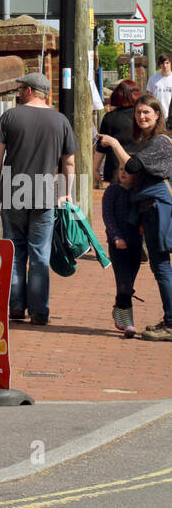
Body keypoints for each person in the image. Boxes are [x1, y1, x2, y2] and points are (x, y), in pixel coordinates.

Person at [0, 72, 78, 326]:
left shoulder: (10, 117)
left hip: (13, 193)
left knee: (15, 252)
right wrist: (65, 193)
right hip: (45, 194)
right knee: (40, 255)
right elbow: (68, 162)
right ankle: (39, 312)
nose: (18, 93)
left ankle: (16, 306)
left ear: (29, 90)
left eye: (20, 89)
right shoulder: (60, 121)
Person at [99, 95, 172, 341]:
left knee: (161, 266)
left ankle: (171, 322)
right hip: (148, 209)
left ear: (157, 115)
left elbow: (131, 167)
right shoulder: (151, 142)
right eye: (139, 113)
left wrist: (113, 143)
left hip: (156, 207)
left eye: (147, 113)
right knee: (159, 266)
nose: (141, 117)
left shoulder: (161, 142)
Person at [101, 167, 142, 336]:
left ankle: (119, 308)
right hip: (117, 245)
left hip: (136, 244)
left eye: (128, 171)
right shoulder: (112, 190)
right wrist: (116, 237)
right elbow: (107, 216)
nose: (123, 173)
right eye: (121, 170)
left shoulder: (139, 192)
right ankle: (129, 323)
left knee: (128, 284)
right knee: (124, 284)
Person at [93, 78, 140, 187]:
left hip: (116, 169)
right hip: (138, 166)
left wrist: (95, 169)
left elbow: (101, 148)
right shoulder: (141, 115)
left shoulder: (109, 118)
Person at [146, 53, 172, 120]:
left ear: (170, 63)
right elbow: (149, 98)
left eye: (167, 63)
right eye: (162, 63)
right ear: (159, 65)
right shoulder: (152, 79)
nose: (165, 66)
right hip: (157, 115)